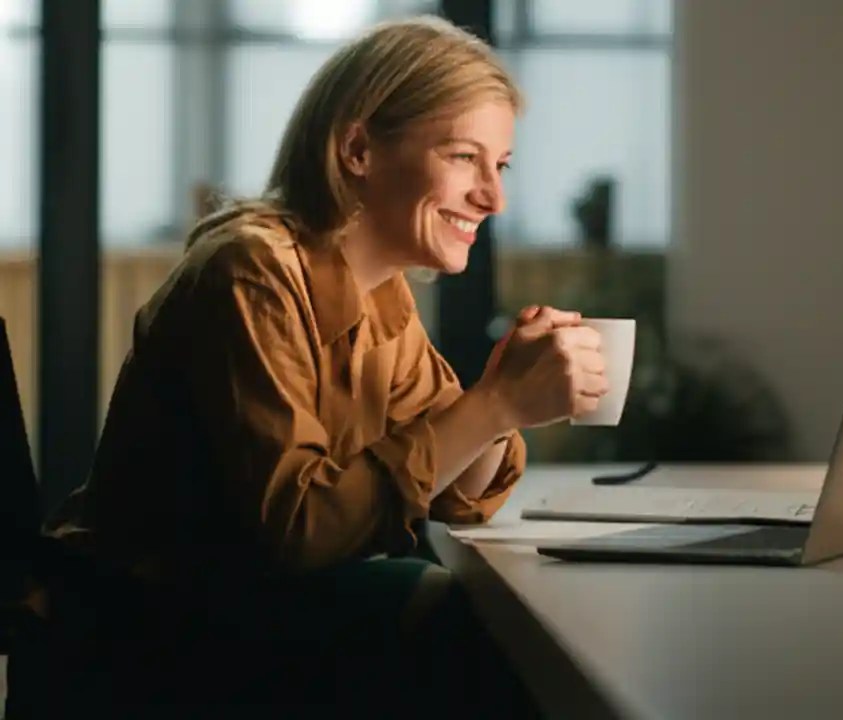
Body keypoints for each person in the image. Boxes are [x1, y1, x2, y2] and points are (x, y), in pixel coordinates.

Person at [22, 16, 608, 717]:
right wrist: (496, 405)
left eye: (500, 165)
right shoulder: (251, 272)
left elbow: (454, 493)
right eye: (463, 157)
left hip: (235, 621)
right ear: (358, 150)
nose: (494, 197)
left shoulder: (381, 292)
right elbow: (299, 530)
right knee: (456, 618)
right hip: (133, 634)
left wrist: (500, 397)